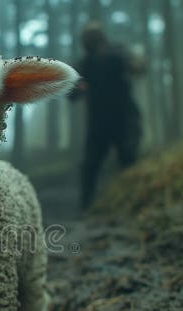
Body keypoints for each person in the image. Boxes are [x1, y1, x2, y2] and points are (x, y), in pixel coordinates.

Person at [70, 22, 142, 210]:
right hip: (99, 124)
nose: (88, 42)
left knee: (128, 160)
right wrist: (78, 88)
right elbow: (71, 93)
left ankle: (133, 204)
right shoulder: (85, 64)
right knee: (90, 167)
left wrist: (133, 63)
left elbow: (138, 68)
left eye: (91, 38)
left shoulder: (117, 55)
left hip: (124, 119)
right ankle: (87, 207)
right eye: (86, 39)